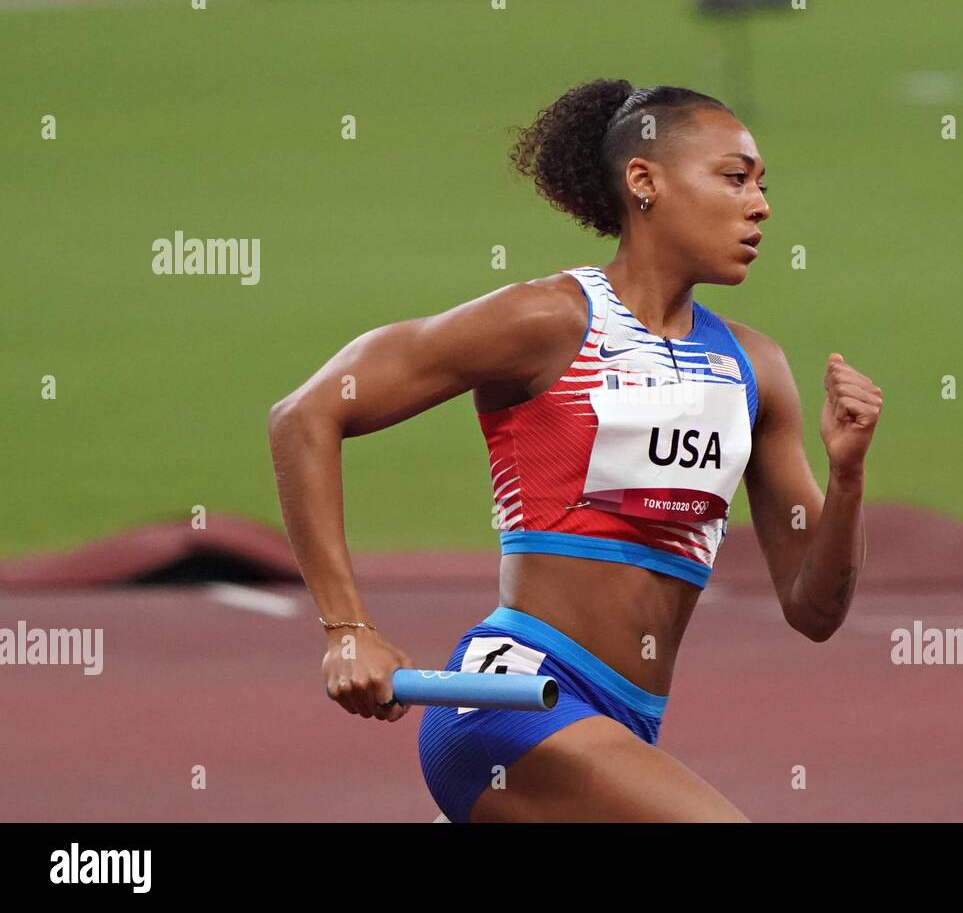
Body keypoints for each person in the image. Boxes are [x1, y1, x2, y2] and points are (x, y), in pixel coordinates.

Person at [267, 79, 883, 822]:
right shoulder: (548, 320)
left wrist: (847, 475)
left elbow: (815, 608)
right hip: (516, 700)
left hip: (624, 725)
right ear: (644, 181)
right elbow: (305, 416)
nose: (760, 205)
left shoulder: (754, 368)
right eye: (734, 177)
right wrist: (348, 629)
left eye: (760, 183)